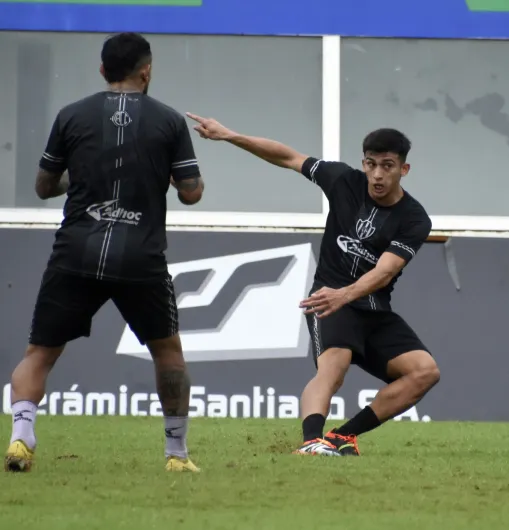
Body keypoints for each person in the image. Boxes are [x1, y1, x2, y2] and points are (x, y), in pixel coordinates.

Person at [4, 33, 204, 473]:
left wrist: (77, 176)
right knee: (168, 354)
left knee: (39, 353)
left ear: (102, 71)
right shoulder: (169, 122)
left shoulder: (71, 115)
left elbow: (42, 188)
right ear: (146, 70)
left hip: (76, 251)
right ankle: (176, 454)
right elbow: (191, 193)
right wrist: (167, 172)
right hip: (141, 256)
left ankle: (21, 438)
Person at [186, 113, 441, 456]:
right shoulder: (342, 180)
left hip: (371, 308)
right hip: (327, 299)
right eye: (371, 164)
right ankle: (310, 443)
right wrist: (229, 135)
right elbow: (287, 156)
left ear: (403, 170)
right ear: (362, 163)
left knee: (424, 372)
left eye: (388, 166)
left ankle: (341, 437)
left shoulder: (414, 218)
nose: (377, 174)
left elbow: (385, 272)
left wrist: (346, 295)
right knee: (333, 368)